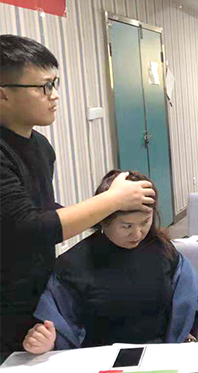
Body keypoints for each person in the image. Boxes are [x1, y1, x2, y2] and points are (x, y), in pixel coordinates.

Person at [0, 35, 155, 355]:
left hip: (36, 293)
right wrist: (112, 200)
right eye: (44, 87)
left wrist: (111, 218)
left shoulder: (40, 146)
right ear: (3, 93)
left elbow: (42, 210)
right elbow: (28, 228)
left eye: (55, 84)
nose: (54, 95)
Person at [22, 170, 198, 353]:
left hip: (160, 354)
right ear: (102, 220)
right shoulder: (73, 265)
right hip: (99, 358)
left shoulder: (165, 251)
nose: (137, 234)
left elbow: (189, 304)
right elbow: (58, 325)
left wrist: (188, 334)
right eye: (127, 226)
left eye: (145, 222)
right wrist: (47, 341)